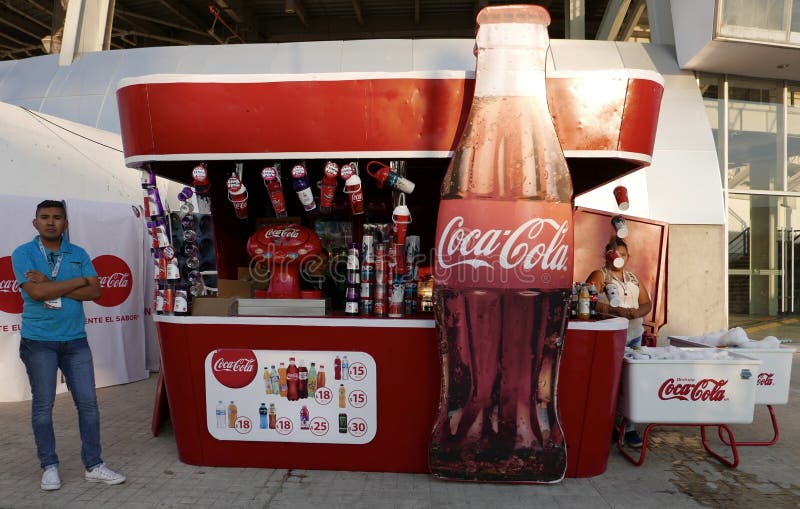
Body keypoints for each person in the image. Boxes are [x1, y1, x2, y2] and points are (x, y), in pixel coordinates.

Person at [12, 200, 126, 490]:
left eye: (57, 217)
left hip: (76, 341)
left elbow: (96, 291)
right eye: (45, 217)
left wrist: (50, 282)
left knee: (88, 404)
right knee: (43, 406)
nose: (51, 222)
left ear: (66, 223)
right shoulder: (23, 253)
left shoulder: (79, 253)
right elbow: (37, 293)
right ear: (35, 222)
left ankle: (94, 465)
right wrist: (77, 282)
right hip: (39, 342)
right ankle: (49, 466)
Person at [586, 237, 652, 448]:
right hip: (611, 336)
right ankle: (607, 427)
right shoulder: (600, 275)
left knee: (632, 382)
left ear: (628, 257)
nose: (618, 258)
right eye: (614, 254)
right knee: (611, 382)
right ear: (606, 256)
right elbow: (586, 301)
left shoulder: (633, 278)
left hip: (635, 335)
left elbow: (646, 303)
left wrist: (636, 313)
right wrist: (614, 310)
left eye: (623, 254)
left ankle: (629, 428)